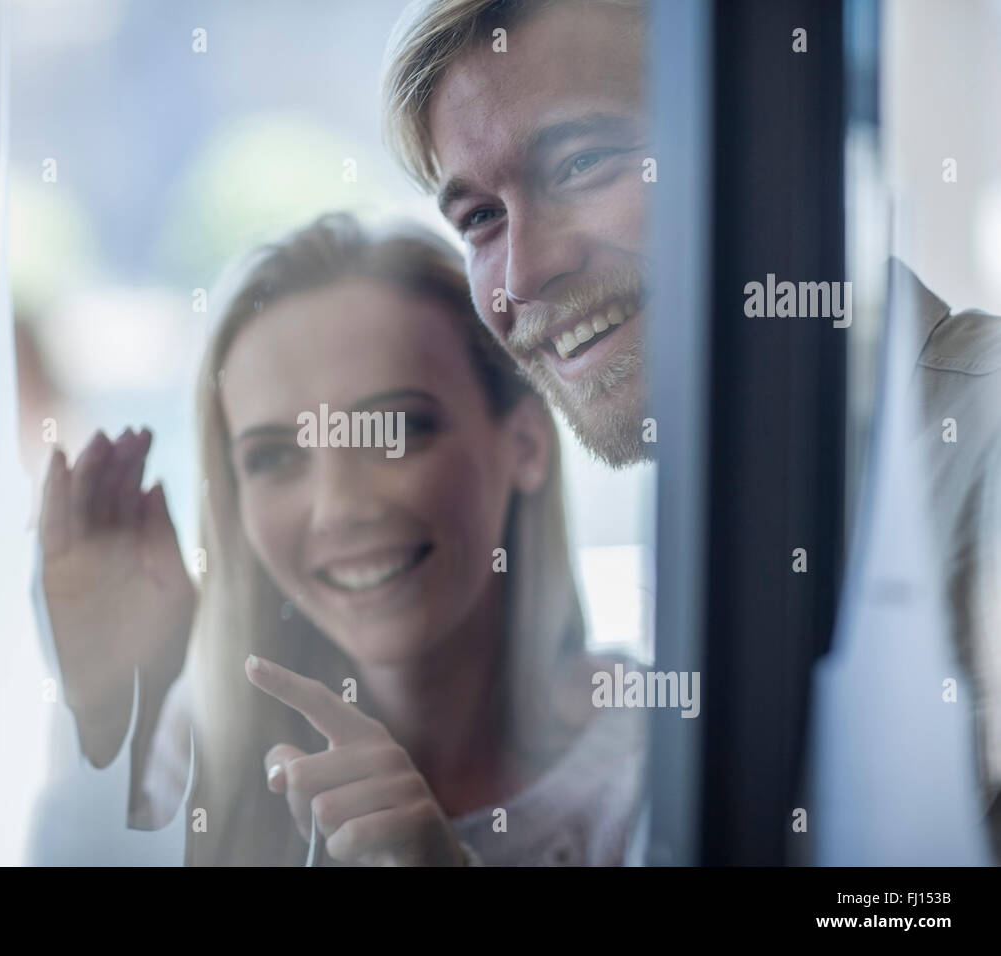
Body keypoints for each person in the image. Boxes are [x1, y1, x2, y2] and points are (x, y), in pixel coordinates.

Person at [381, 0, 1001, 854]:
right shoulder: (732, 507)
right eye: (481, 217)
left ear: (764, 138)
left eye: (585, 161)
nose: (525, 270)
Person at [38, 212, 645, 865]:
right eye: (273, 457)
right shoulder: (194, 750)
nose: (336, 511)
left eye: (394, 431)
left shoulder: (660, 765)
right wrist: (107, 716)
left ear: (524, 443)